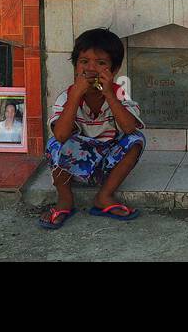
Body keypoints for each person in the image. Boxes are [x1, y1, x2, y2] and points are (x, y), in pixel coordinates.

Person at [38, 28, 145, 229]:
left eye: (101, 63)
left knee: (136, 140)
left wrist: (110, 96)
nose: (91, 69)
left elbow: (130, 128)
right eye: (84, 62)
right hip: (76, 164)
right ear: (76, 67)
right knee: (54, 143)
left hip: (108, 164)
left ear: (114, 70)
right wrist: (76, 95)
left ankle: (104, 196)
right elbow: (61, 134)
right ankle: (64, 199)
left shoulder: (119, 94)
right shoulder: (67, 97)